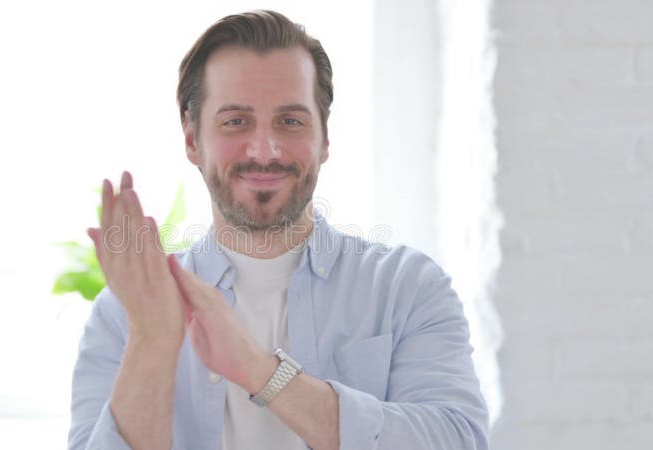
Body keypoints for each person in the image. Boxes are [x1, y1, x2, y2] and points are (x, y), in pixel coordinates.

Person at [68, 10, 488, 450]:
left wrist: (260, 371)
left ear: (324, 139)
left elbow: (458, 440)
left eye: (290, 121)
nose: (265, 151)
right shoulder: (124, 315)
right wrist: (152, 340)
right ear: (192, 139)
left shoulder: (407, 289)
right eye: (235, 121)